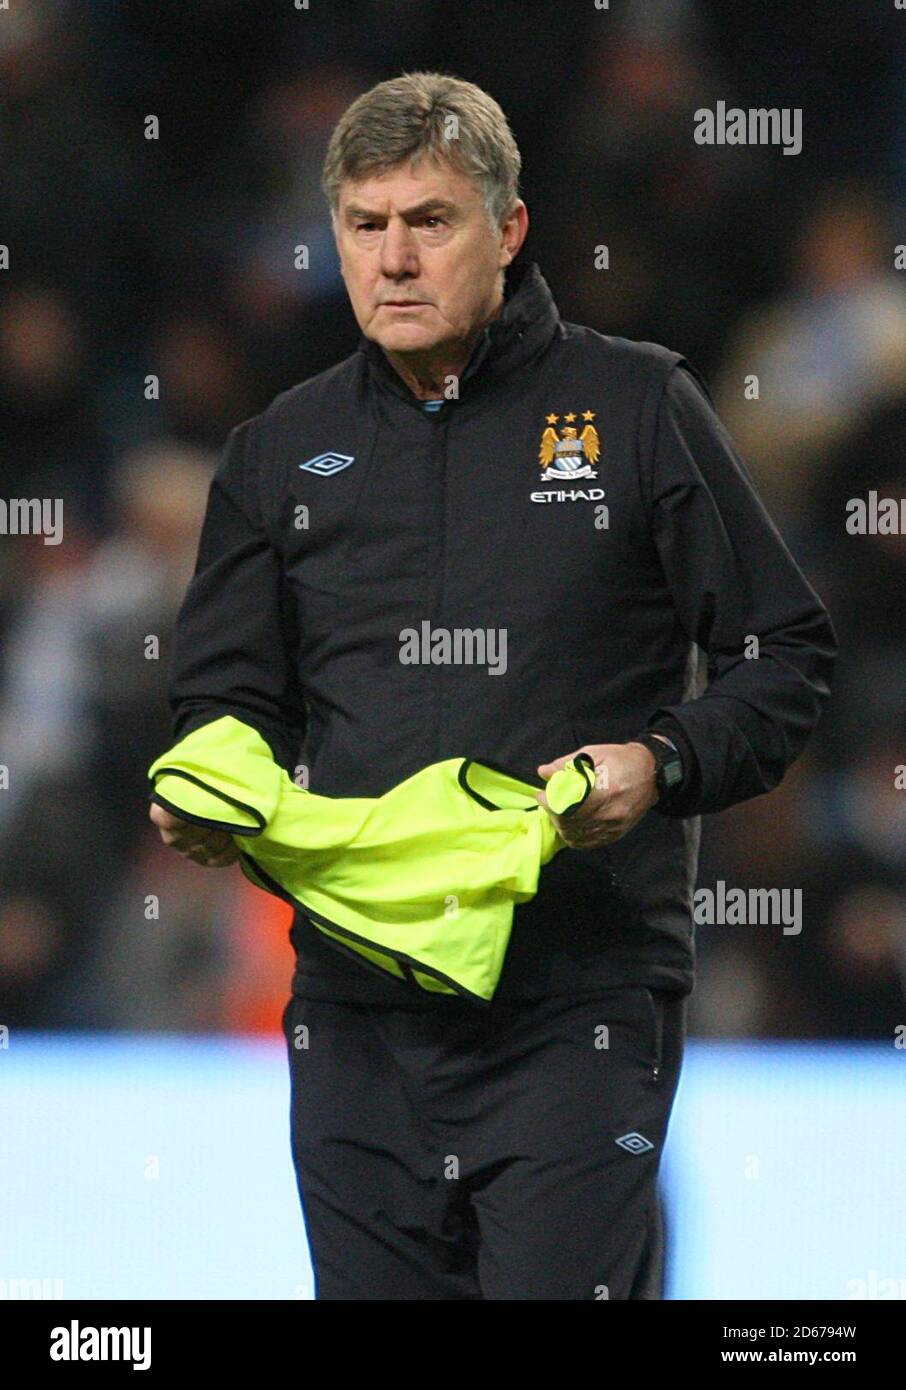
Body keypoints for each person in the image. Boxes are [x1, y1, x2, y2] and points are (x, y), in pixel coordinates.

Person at [149, 71, 837, 1299]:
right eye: (367, 226)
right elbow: (225, 702)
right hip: (355, 1010)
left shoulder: (636, 408)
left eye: (432, 221)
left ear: (508, 232)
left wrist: (664, 763)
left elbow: (786, 655)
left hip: (581, 999)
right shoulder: (275, 452)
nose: (396, 259)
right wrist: (207, 785)